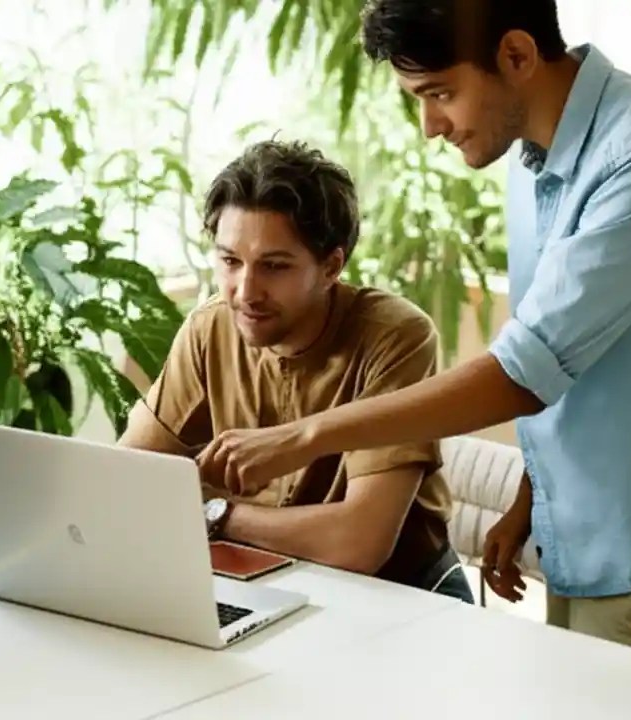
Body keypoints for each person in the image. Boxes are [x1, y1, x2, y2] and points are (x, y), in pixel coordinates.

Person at [195, 0, 631, 670]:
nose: (430, 126)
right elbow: (575, 352)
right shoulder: (530, 159)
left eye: (439, 93)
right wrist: (533, 498)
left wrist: (306, 434)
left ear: (516, 56)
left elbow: (522, 371)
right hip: (585, 535)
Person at [119, 139, 473, 603]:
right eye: (230, 261)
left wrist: (215, 512)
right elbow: (126, 479)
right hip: (264, 582)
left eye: (274, 266)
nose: (246, 291)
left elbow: (359, 544)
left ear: (331, 267)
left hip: (401, 595)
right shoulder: (209, 328)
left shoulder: (395, 336)